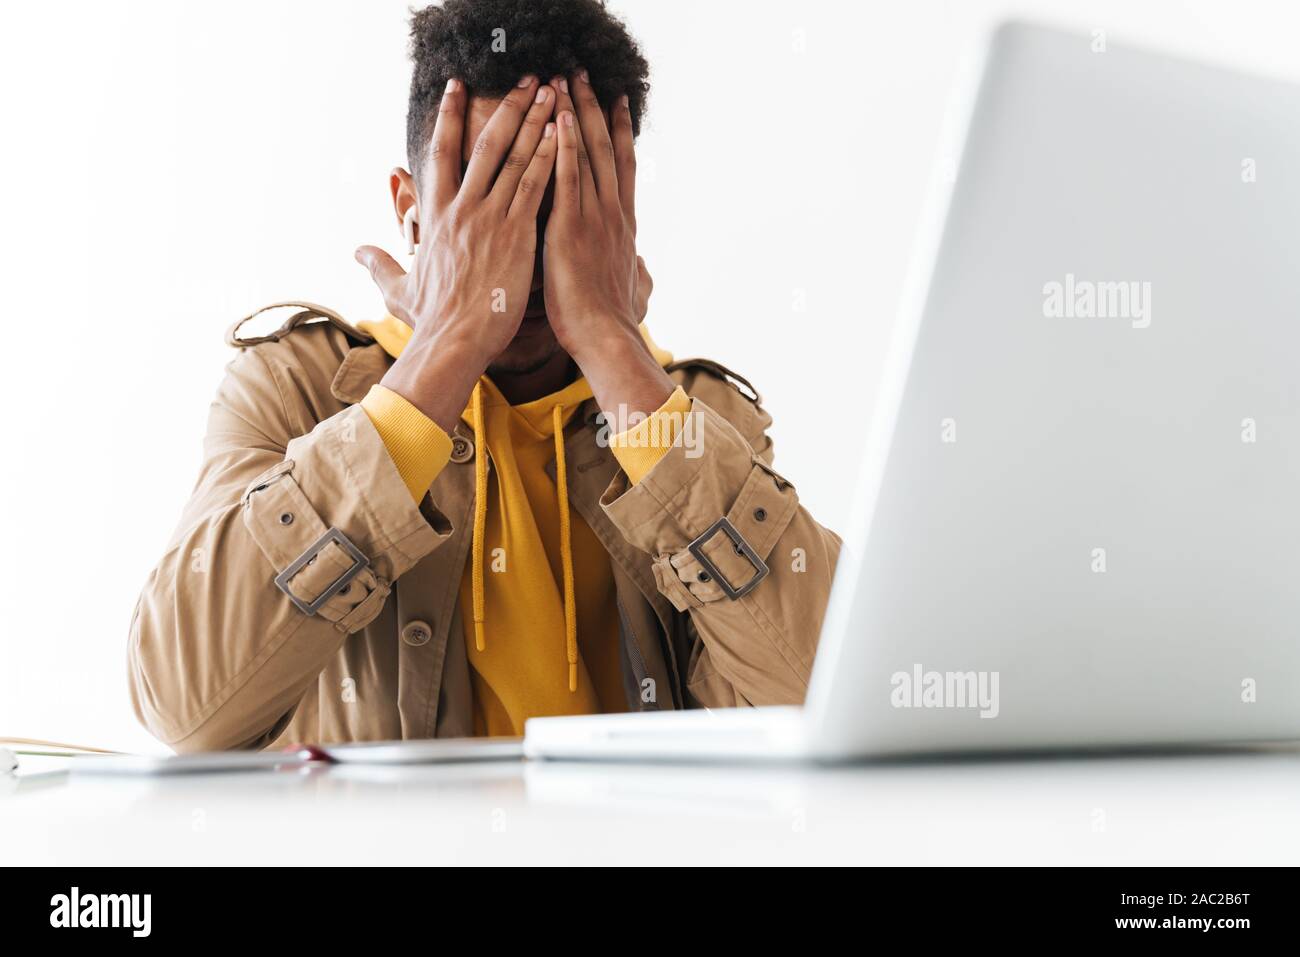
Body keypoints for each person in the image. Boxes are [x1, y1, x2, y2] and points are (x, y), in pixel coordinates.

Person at [128, 0, 840, 750]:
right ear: (411, 211)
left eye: (560, 199)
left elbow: (824, 703)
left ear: (617, 217)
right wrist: (441, 350)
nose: (520, 252)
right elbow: (186, 707)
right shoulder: (294, 387)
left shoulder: (697, 418)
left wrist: (609, 342)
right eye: (487, 198)